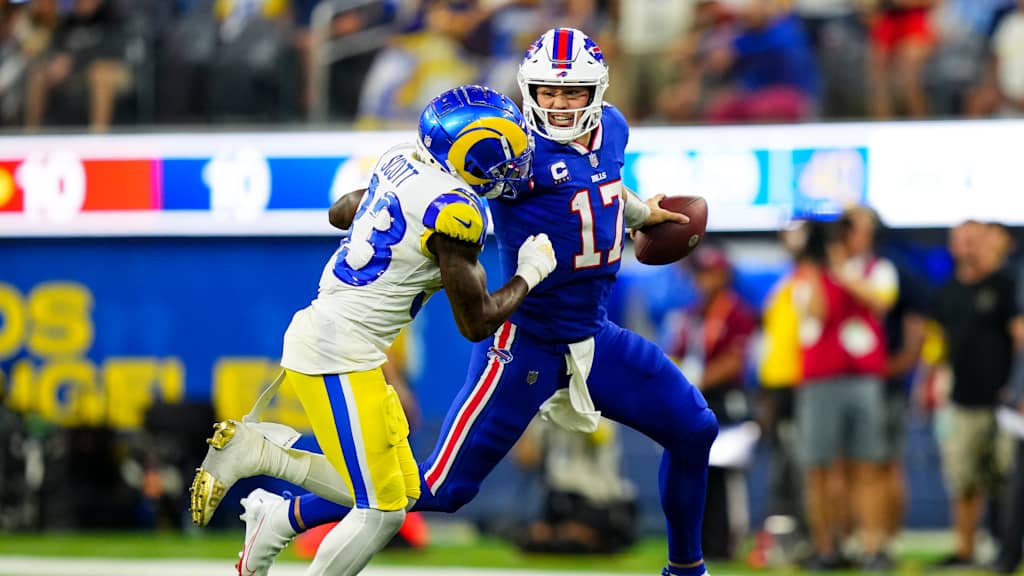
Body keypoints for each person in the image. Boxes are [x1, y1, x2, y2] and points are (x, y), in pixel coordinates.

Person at [223, 27, 718, 576]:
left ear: (596, 91)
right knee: (442, 487)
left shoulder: (614, 129)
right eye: (548, 92)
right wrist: (374, 201)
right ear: (529, 90)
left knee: (694, 430)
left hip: (592, 334)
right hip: (523, 340)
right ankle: (285, 514)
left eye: (571, 92)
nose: (558, 104)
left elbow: (597, 187)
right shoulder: (510, 151)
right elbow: (426, 189)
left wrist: (642, 214)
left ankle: (686, 571)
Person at [188, 84, 557, 576]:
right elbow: (477, 322)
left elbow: (340, 210)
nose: (513, 165)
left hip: (338, 342)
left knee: (400, 493)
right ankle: (263, 470)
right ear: (470, 154)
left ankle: (264, 469)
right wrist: (531, 272)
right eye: (505, 154)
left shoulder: (401, 160)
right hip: (337, 351)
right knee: (381, 513)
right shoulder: (456, 213)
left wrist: (388, 216)